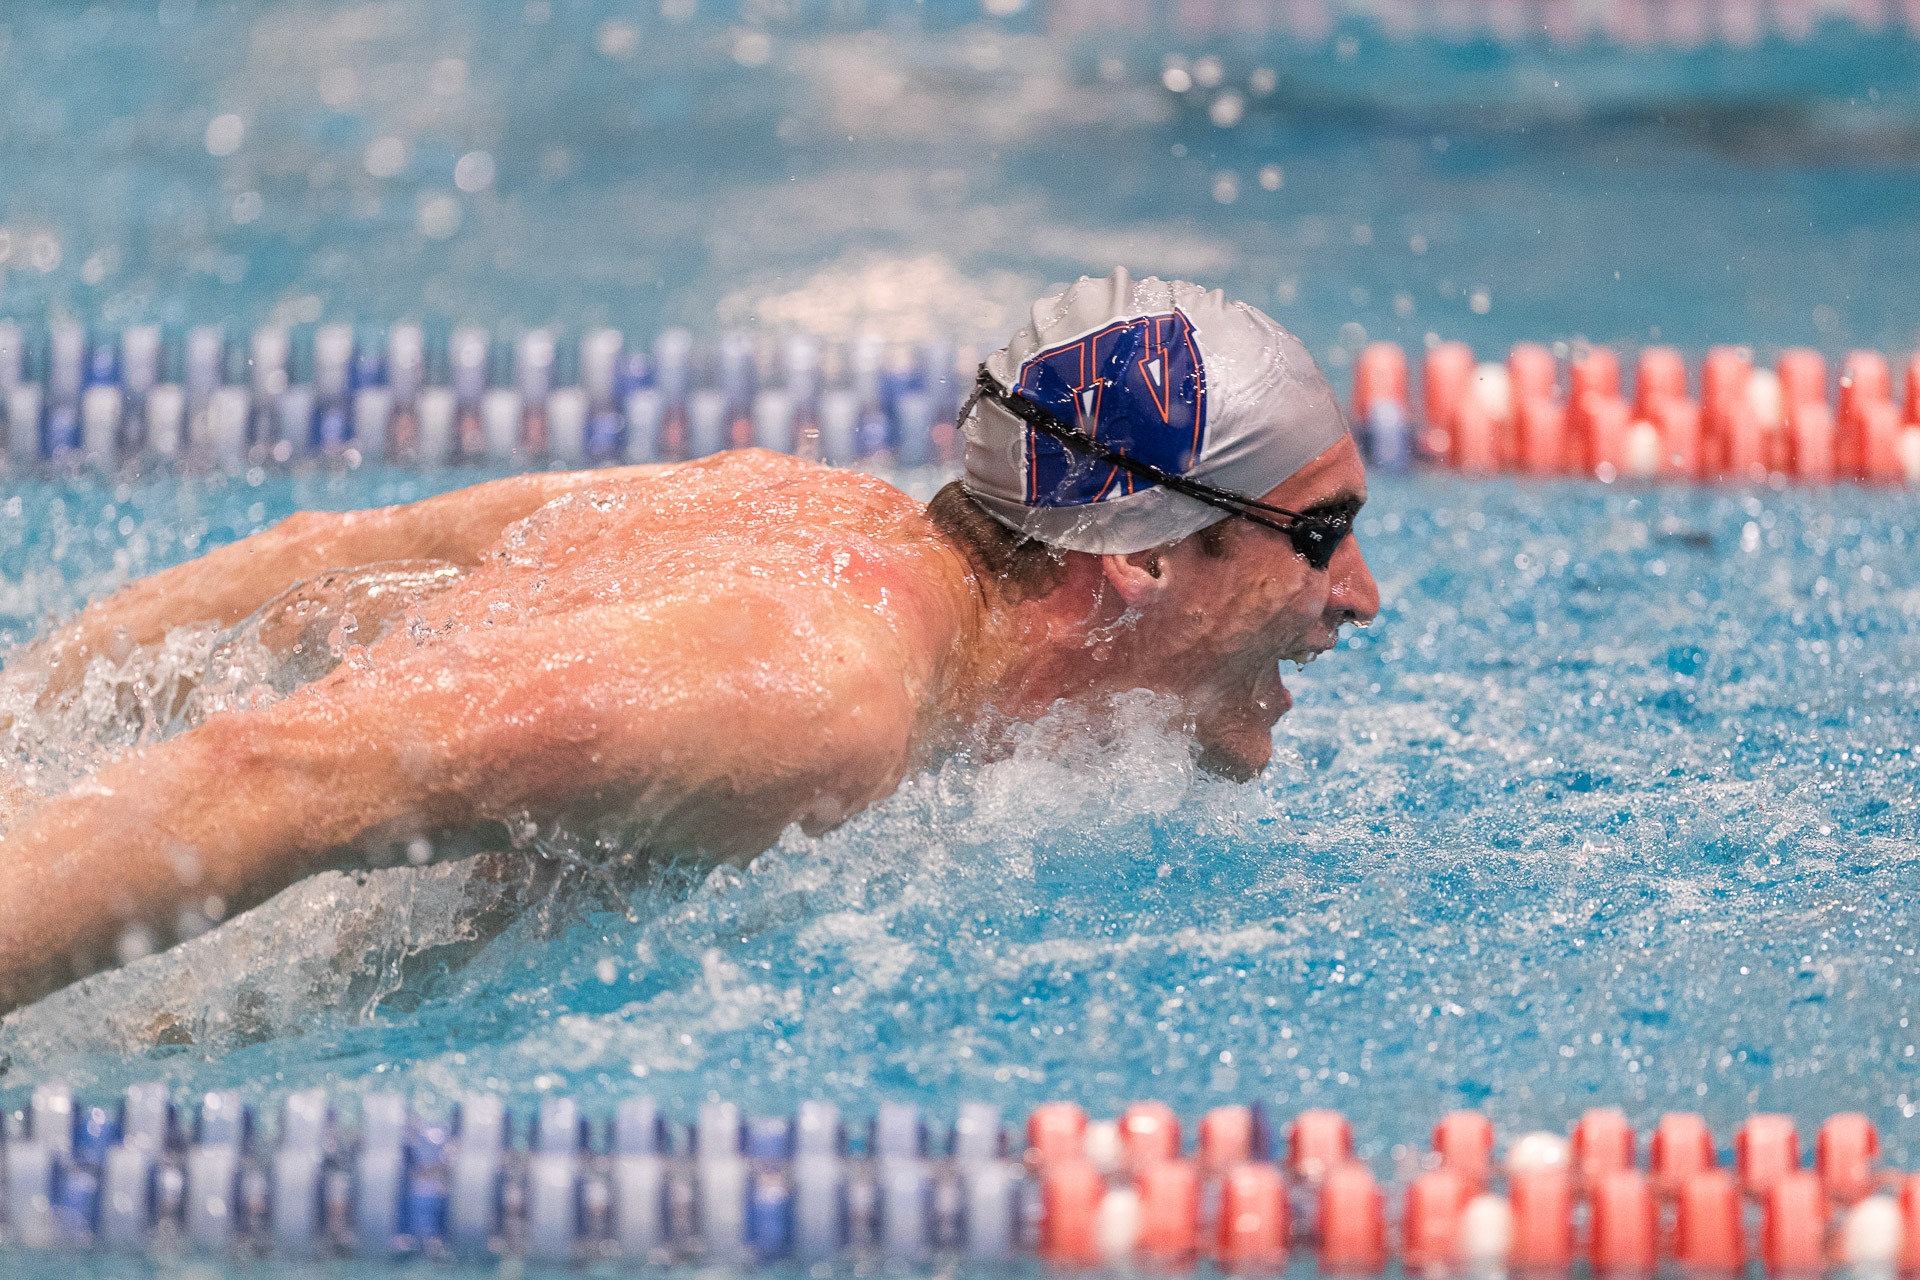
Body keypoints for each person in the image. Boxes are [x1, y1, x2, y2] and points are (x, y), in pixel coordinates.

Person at [0, 269, 1378, 1013]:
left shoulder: (811, 512)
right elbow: (272, 772)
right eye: (1319, 536)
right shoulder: (809, 700)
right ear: (1137, 554)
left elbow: (314, 554)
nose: (1360, 596)